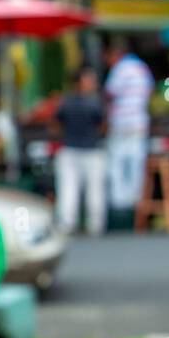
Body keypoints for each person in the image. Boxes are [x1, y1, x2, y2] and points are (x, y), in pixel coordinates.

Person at [53, 66, 107, 235]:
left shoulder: (65, 101)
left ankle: (68, 225)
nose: (92, 83)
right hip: (88, 151)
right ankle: (95, 226)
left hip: (74, 150)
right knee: (93, 190)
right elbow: (104, 126)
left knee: (70, 190)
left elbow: (56, 125)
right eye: (88, 80)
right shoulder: (94, 102)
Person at [104, 38, 154, 217]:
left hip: (122, 122)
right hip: (139, 121)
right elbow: (149, 91)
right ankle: (136, 199)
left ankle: (120, 203)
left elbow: (110, 92)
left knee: (117, 161)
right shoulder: (142, 68)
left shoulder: (120, 69)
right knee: (136, 161)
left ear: (115, 55)